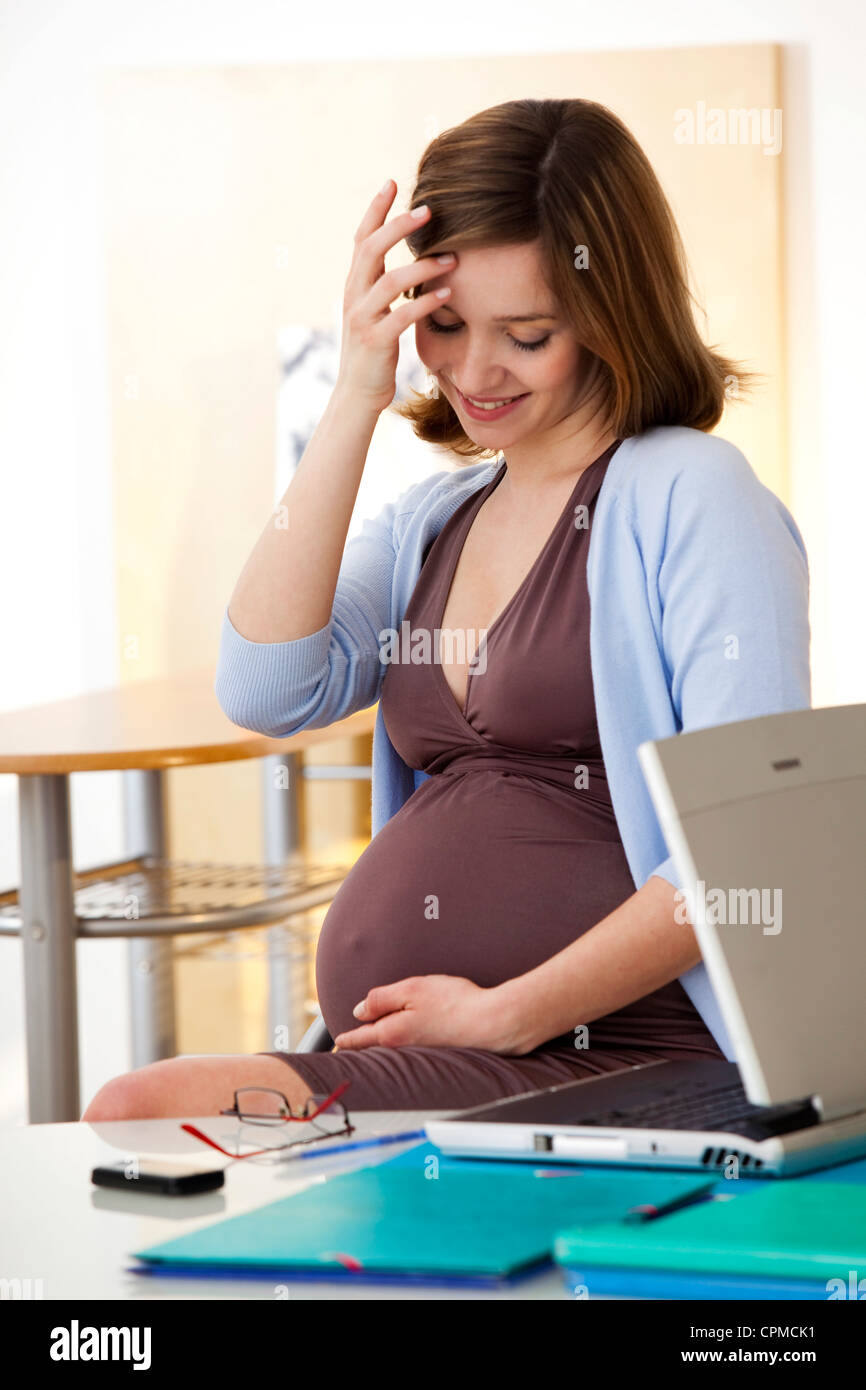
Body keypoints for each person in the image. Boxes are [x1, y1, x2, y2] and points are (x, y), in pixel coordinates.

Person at [82, 97, 810, 1123]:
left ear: (611, 316)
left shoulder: (694, 492)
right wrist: (353, 396)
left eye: (525, 334)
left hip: (625, 1055)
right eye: (443, 325)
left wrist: (505, 1014)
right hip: (446, 1045)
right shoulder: (436, 517)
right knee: (147, 1129)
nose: (472, 372)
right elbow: (263, 685)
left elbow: (744, 852)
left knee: (141, 1110)